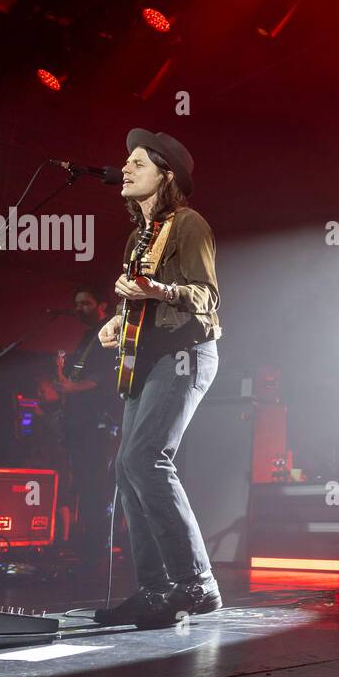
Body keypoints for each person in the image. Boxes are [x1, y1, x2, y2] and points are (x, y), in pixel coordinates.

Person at [93, 129, 223, 627]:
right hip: (146, 360)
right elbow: (139, 303)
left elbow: (206, 298)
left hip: (185, 355)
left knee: (146, 457)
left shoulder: (189, 225)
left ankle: (198, 582)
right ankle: (155, 590)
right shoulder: (137, 237)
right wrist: (117, 321)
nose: (124, 169)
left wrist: (157, 289)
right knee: (129, 466)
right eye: (125, 161)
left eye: (137, 163)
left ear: (166, 175)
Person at [55, 285, 119, 571]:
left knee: (95, 487)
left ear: (102, 304)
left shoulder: (110, 331)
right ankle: (88, 548)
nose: (79, 308)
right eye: (77, 303)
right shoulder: (87, 337)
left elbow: (109, 374)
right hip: (79, 423)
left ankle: (96, 551)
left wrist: (74, 386)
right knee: (83, 486)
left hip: (97, 423)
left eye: (85, 303)